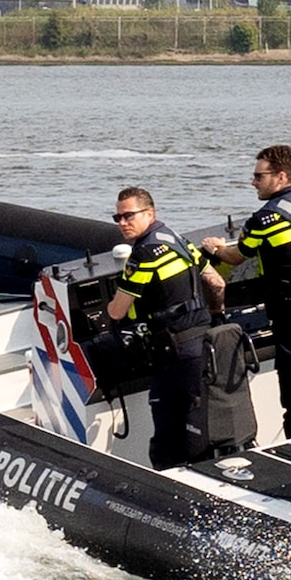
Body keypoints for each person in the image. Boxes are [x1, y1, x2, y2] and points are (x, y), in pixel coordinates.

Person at [198, 145, 291, 436]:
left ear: (280, 176)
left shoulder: (263, 220)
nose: (253, 182)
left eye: (258, 176)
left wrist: (216, 247)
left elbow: (237, 256)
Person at [104, 187, 223, 467]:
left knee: (167, 441)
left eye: (128, 215)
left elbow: (118, 310)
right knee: (200, 428)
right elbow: (217, 282)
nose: (122, 223)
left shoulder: (143, 254)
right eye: (117, 217)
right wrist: (216, 313)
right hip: (204, 342)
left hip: (174, 354)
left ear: (150, 213)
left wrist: (110, 307)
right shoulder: (179, 240)